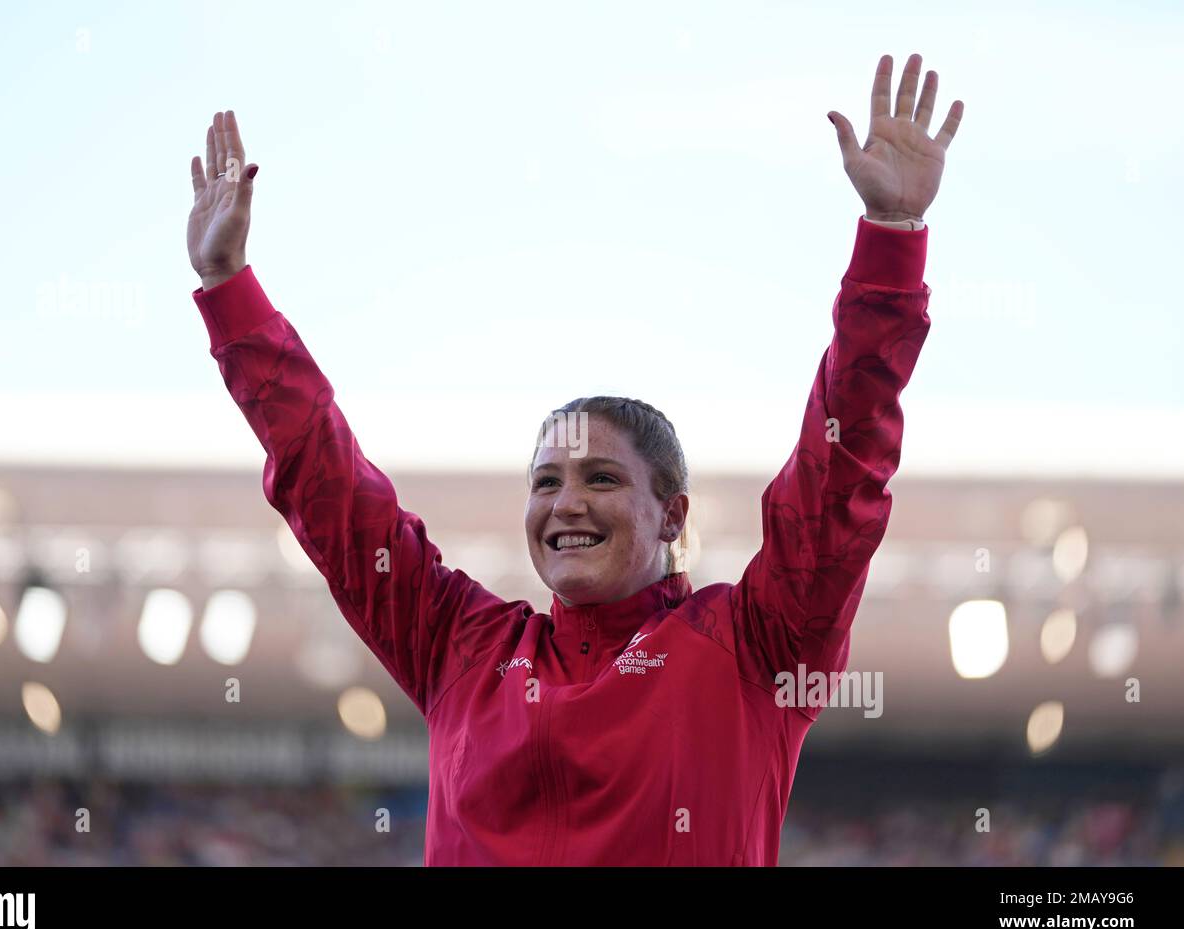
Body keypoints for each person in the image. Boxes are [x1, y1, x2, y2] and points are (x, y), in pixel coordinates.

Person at [186, 53, 963, 865]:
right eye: (546, 482)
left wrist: (891, 243)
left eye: (601, 478)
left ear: (673, 513)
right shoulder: (463, 649)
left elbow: (841, 474)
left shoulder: (757, 645)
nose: (565, 504)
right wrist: (227, 285)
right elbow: (330, 486)